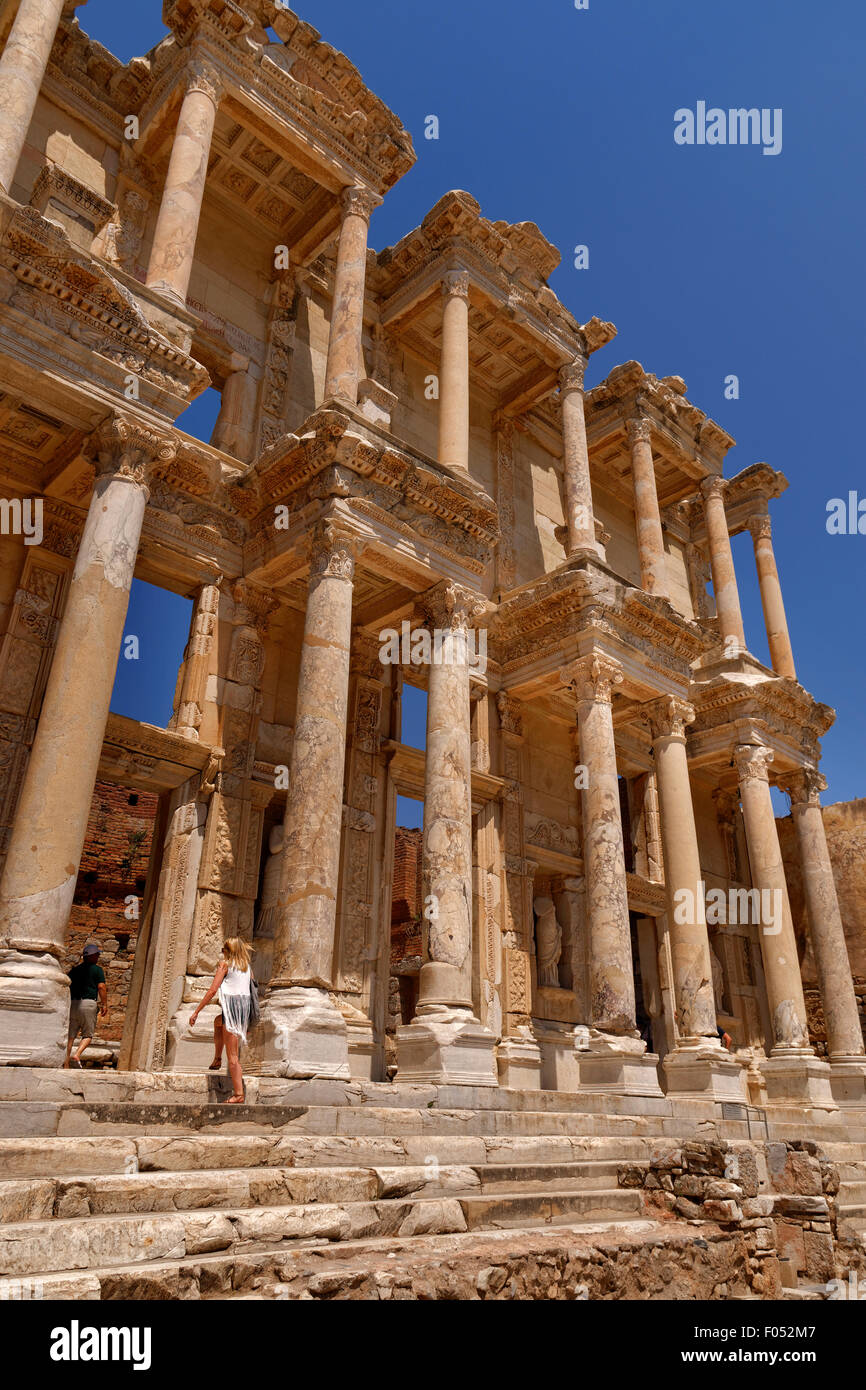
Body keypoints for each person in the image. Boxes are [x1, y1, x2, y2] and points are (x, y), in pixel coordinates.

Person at [189, 938, 253, 1104]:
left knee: (232, 1056)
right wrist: (249, 1020)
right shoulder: (247, 968)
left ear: (228, 951)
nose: (222, 952)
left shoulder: (225, 965)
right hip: (242, 1010)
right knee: (218, 1022)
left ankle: (239, 1094)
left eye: (223, 949)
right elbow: (253, 991)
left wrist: (196, 1011)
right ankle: (217, 1058)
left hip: (232, 1010)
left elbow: (212, 990)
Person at [65, 943, 107, 1069]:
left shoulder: (74, 970)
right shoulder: (97, 970)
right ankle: (77, 1055)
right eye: (97, 954)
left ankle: (65, 1063)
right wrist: (104, 1003)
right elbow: (101, 987)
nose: (98, 957)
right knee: (88, 1034)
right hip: (88, 1003)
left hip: (73, 1003)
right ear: (92, 956)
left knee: (70, 1035)